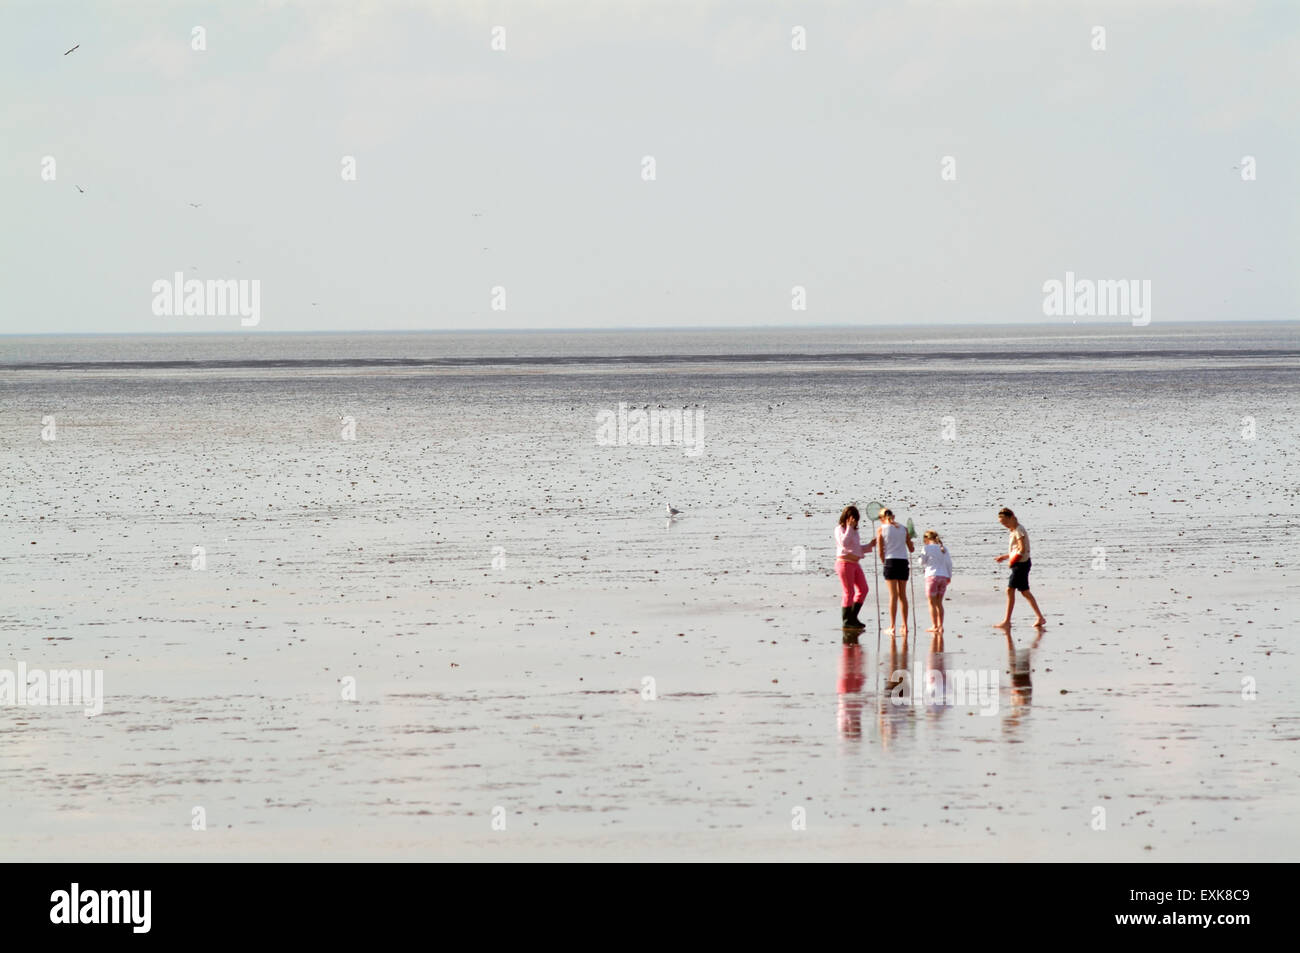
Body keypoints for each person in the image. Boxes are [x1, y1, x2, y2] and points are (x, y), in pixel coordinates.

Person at [992, 507, 1046, 628]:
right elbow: (1017, 550)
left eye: (1005, 522)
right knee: (1025, 592)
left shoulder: (1018, 530)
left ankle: (1007, 621)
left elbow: (1022, 550)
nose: (1004, 525)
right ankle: (1040, 618)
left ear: (1012, 517)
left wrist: (1012, 561)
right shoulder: (1014, 530)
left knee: (1010, 590)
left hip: (1021, 565)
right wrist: (1005, 557)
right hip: (1022, 563)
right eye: (1002, 524)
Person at [874, 508, 913, 637]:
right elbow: (911, 549)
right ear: (893, 516)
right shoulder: (903, 528)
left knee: (893, 596)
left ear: (881, 518)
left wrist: (883, 562)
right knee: (903, 595)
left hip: (890, 562)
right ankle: (905, 625)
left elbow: (880, 551)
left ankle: (892, 626)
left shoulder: (881, 529)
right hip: (903, 562)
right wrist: (910, 539)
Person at [834, 506, 874, 629]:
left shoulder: (854, 532)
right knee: (849, 592)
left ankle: (853, 617)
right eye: (852, 519)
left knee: (864, 589)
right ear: (846, 518)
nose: (854, 522)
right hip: (844, 563)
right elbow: (844, 544)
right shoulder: (839, 529)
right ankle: (846, 620)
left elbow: (856, 549)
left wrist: (870, 545)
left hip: (855, 564)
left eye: (856, 520)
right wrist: (849, 528)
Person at [920, 529, 953, 635]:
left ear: (927, 539)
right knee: (939, 603)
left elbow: (922, 562)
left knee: (931, 603)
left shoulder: (926, 548)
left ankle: (934, 625)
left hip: (931, 577)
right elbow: (949, 563)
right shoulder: (943, 548)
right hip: (943, 576)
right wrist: (949, 576)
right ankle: (940, 626)